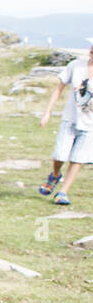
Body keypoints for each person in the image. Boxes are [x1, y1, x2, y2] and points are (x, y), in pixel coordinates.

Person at [39, 40, 93, 205]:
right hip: (70, 119)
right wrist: (47, 112)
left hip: (90, 124)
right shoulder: (75, 66)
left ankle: (63, 193)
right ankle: (55, 175)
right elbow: (59, 88)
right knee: (60, 155)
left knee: (78, 159)